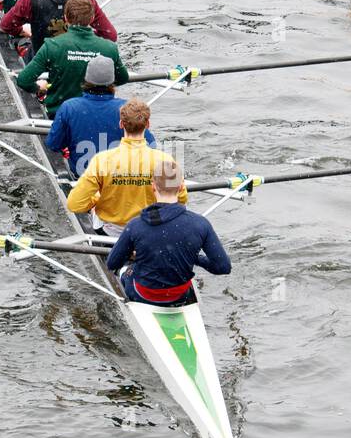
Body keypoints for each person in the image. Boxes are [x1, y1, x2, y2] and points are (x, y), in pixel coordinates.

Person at [105, 159, 231, 306]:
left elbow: (111, 263)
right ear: (181, 186)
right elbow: (223, 267)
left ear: (153, 187)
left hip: (142, 294)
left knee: (124, 269)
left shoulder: (135, 225)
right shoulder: (201, 223)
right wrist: (195, 258)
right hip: (179, 295)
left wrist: (132, 254)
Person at [66, 98, 183, 238]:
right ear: (148, 124)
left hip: (111, 232)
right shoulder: (165, 160)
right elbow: (181, 199)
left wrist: (97, 200)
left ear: (121, 124)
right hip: (151, 232)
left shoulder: (102, 160)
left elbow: (74, 204)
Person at [16, 0, 128, 118]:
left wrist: (38, 88)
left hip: (59, 114)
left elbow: (23, 80)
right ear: (92, 18)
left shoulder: (52, 46)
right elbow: (122, 78)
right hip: (94, 113)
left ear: (65, 18)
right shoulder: (109, 48)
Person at [46, 56, 156, 176]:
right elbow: (150, 146)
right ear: (112, 82)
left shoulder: (69, 107)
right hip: (117, 180)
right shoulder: (127, 109)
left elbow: (53, 144)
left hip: (83, 179)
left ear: (86, 80)